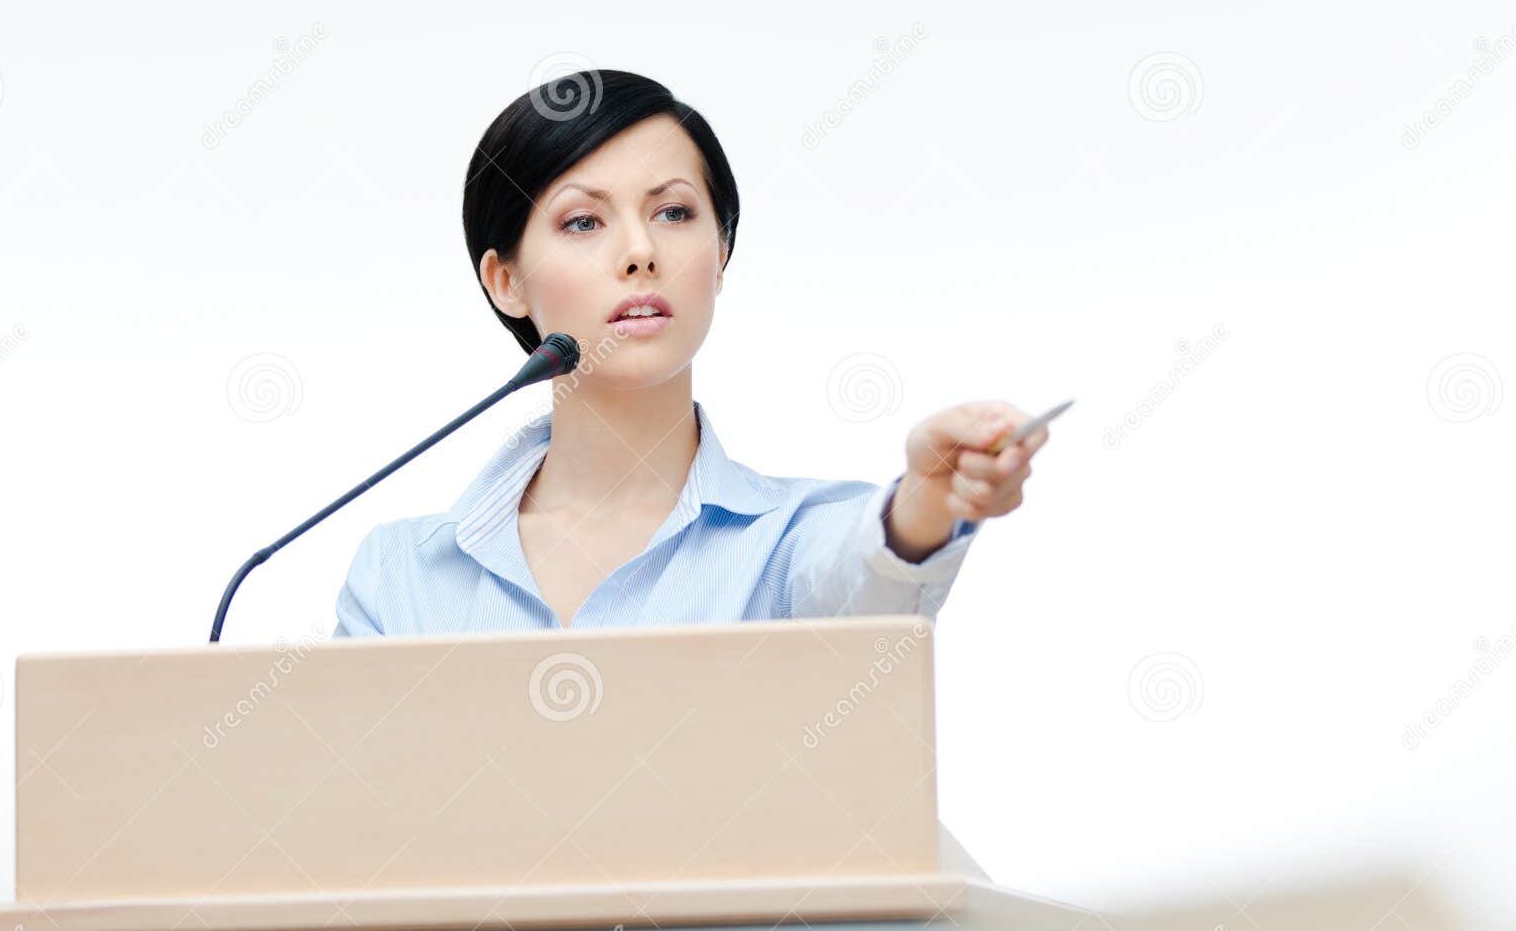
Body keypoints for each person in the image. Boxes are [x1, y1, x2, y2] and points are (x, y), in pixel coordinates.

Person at [332, 69, 1049, 638]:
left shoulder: (794, 542)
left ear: (721, 250)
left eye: (674, 213)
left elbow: (865, 580)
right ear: (505, 281)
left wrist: (927, 499)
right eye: (583, 221)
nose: (640, 251)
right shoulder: (399, 579)